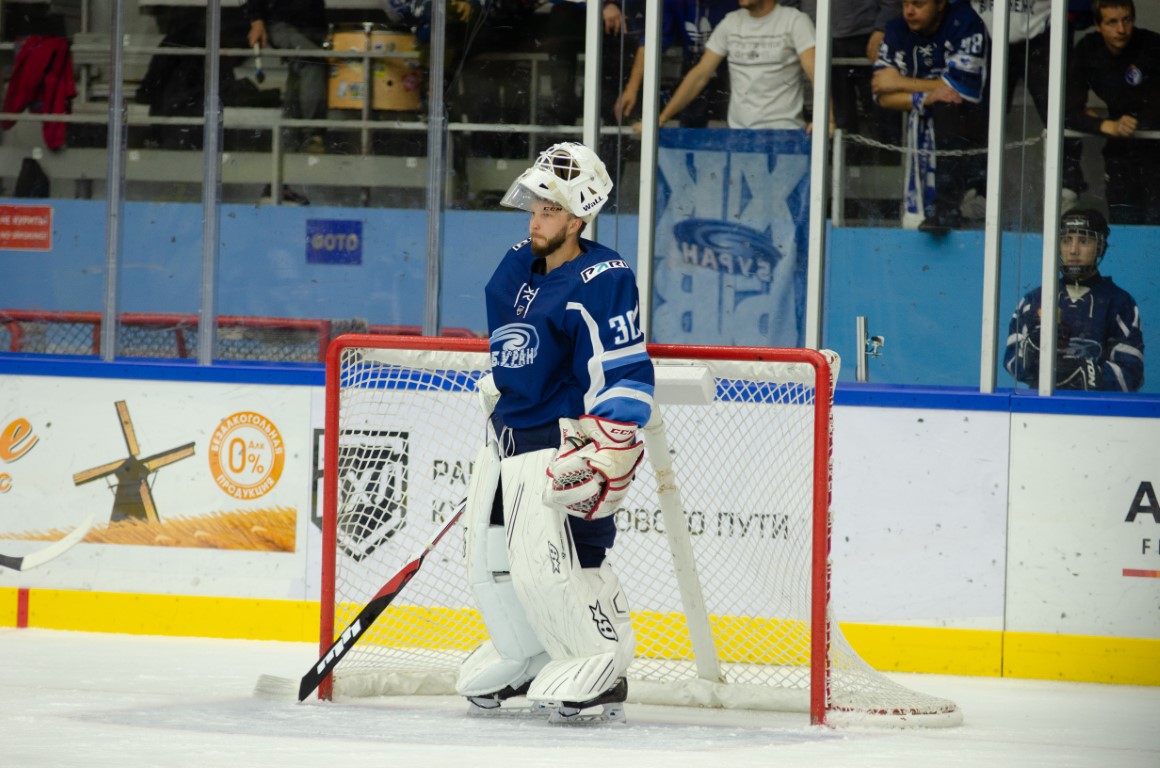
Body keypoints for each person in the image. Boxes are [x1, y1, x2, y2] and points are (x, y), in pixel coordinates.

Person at [455, 142, 655, 723]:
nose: (535, 219)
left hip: (560, 445)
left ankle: (602, 660)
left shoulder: (603, 276)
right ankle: (527, 652)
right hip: (505, 442)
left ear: (578, 218)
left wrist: (611, 438)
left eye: (548, 210)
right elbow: (512, 349)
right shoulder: (517, 266)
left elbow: (625, 367)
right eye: (534, 208)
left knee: (563, 562)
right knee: (489, 564)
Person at [872, 0, 989, 234]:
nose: (909, 11)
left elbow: (959, 90)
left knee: (947, 105)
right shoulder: (896, 28)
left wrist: (899, 83)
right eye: (905, 3)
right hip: (922, 128)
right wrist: (925, 97)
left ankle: (948, 208)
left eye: (918, 3)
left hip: (970, 127)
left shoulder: (965, 22)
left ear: (941, 4)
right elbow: (882, 95)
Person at [1004, 208, 1144, 392]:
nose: (1073, 250)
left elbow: (1132, 374)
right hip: (1041, 413)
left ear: (1100, 246)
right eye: (1066, 240)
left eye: (1084, 241)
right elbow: (1012, 362)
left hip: (1097, 414)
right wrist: (1032, 348)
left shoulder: (1120, 303)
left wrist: (1087, 372)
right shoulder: (1034, 300)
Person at [655, 0, 827, 131]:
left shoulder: (795, 21)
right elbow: (700, 74)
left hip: (785, 133)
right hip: (739, 136)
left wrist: (827, 120)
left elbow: (816, 73)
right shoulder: (731, 22)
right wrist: (661, 119)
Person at [1066, 0, 1160, 225]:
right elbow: (1067, 111)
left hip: (1156, 147)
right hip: (1120, 149)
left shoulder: (1152, 46)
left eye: (1126, 20)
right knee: (1124, 220)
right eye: (1112, 22)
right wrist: (1105, 125)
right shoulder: (1089, 50)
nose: (1121, 29)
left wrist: (1140, 120)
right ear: (1098, 26)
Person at [613, 0, 734, 126]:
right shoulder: (672, 2)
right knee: (690, 125)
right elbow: (651, 42)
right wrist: (631, 89)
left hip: (731, 69)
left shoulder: (734, 5)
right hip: (693, 67)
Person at [243, 0, 328, 154]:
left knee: (300, 72)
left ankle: (289, 143)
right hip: (281, 23)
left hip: (308, 25)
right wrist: (256, 20)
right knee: (312, 62)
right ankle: (313, 137)